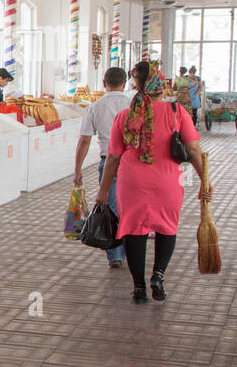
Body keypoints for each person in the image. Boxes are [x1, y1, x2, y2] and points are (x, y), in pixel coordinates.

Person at [95, 61, 212, 303]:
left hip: (131, 183)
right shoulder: (177, 112)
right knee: (167, 228)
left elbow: (113, 157)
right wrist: (205, 182)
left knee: (133, 230)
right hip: (167, 182)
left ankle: (138, 288)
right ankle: (158, 276)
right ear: (161, 87)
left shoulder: (124, 117)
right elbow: (193, 149)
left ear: (137, 86)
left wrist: (103, 190)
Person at [73, 67, 131, 268]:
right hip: (134, 162)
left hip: (108, 162)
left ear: (104, 83)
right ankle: (132, 250)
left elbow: (84, 141)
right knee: (132, 207)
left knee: (111, 206)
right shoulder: (134, 104)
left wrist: (78, 169)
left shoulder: (94, 107)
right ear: (124, 83)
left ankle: (115, 254)